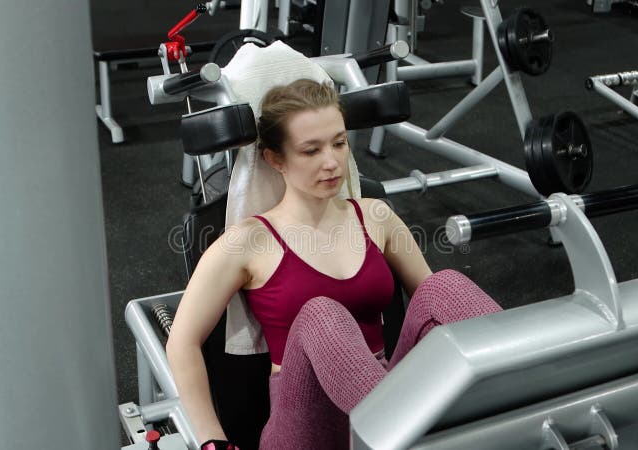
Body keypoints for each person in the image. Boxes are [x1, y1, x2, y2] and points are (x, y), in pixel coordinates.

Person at [166, 79, 502, 450]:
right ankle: (403, 428)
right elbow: (181, 343)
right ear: (275, 159)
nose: (331, 162)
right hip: (304, 429)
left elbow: (435, 316)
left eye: (339, 144)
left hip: (384, 392)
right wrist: (212, 441)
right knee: (321, 315)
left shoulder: (376, 216)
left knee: (445, 287)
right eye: (311, 151)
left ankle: (539, 393)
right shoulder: (248, 241)